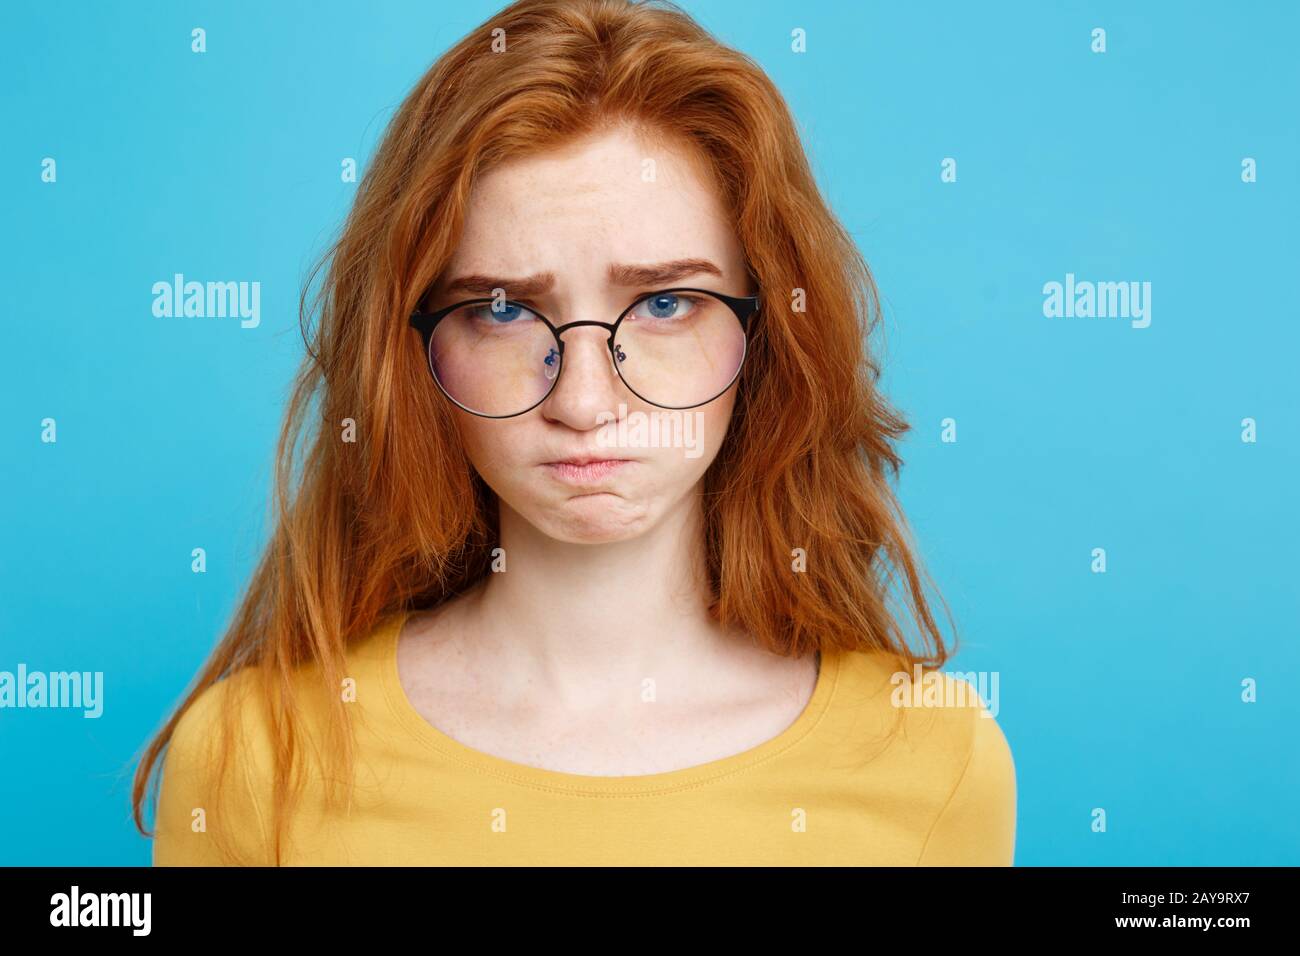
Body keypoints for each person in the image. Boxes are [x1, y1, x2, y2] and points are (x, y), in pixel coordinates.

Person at [135, 0, 1015, 866]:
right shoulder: (251, 760)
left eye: (666, 304)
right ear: (411, 349)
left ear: (769, 331)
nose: (587, 402)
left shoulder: (935, 763)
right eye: (505, 310)